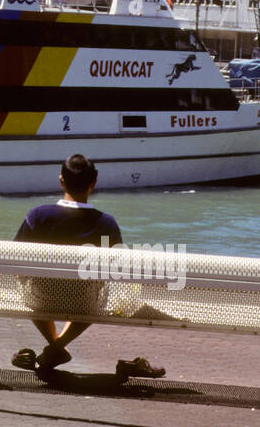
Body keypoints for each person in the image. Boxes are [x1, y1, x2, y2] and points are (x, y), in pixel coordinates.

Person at [10, 154, 163, 383]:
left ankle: (55, 347)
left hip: (40, 298)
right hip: (85, 302)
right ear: (94, 183)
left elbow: (14, 258)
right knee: (98, 290)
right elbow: (118, 268)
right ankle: (56, 347)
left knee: (29, 283)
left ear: (61, 181)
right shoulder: (106, 223)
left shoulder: (37, 215)